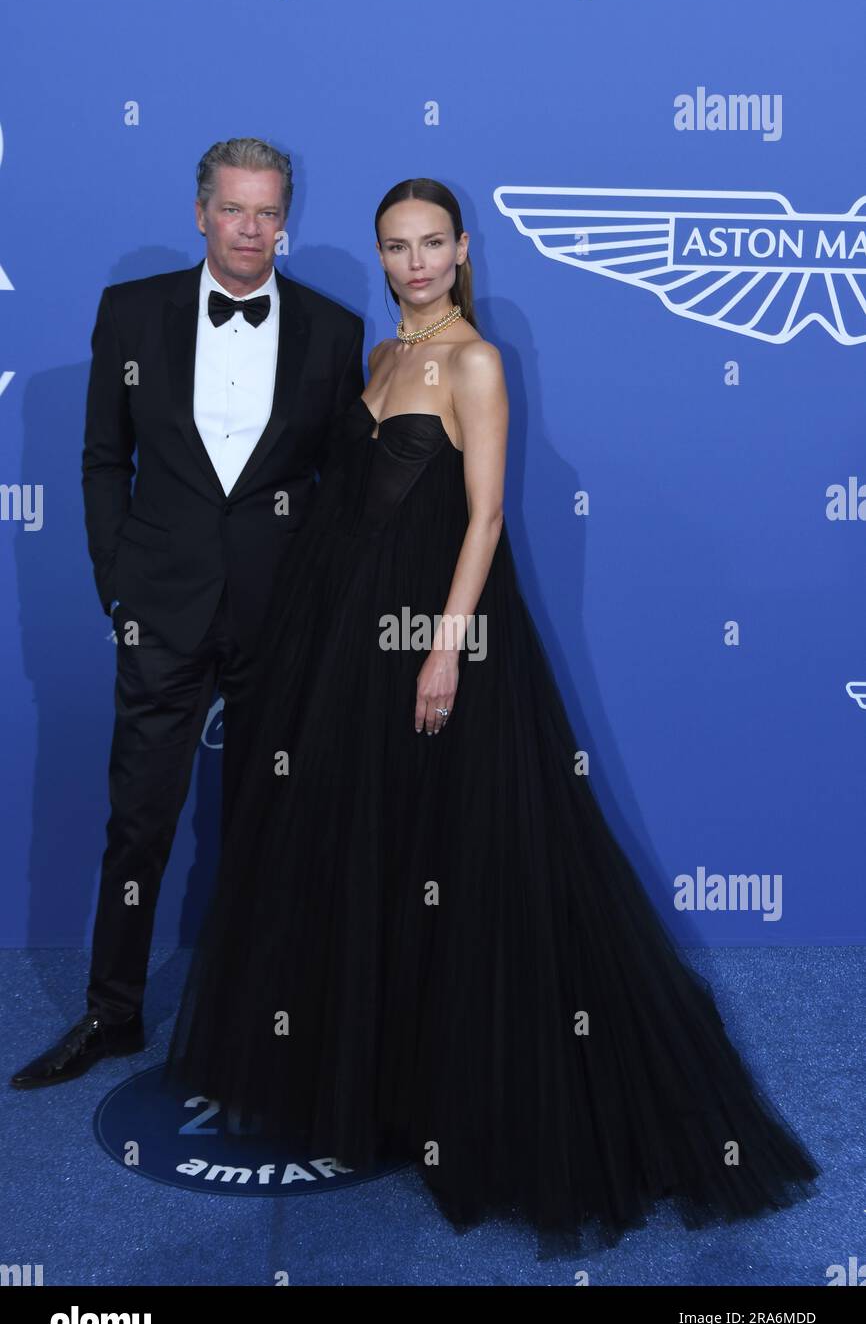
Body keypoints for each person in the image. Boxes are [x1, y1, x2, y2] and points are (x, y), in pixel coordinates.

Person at [161, 177, 820, 1257]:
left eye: (430, 244)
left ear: (461, 248)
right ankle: (375, 1079)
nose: (413, 263)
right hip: (343, 638)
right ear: (377, 256)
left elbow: (484, 515)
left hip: (434, 639)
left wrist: (444, 647)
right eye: (394, 247)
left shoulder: (473, 361)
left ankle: (460, 1100)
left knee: (464, 860)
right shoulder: (379, 360)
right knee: (367, 844)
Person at [10, 138, 364, 1090]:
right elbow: (99, 459)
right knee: (140, 822)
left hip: (278, 617)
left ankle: (267, 1023)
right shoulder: (132, 315)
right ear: (201, 211)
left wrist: (321, 601)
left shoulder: (334, 331)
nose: (251, 230)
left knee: (272, 820)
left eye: (268, 212)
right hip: (160, 611)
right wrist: (118, 582)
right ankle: (112, 1013)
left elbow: (341, 484)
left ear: (286, 222)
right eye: (234, 209)